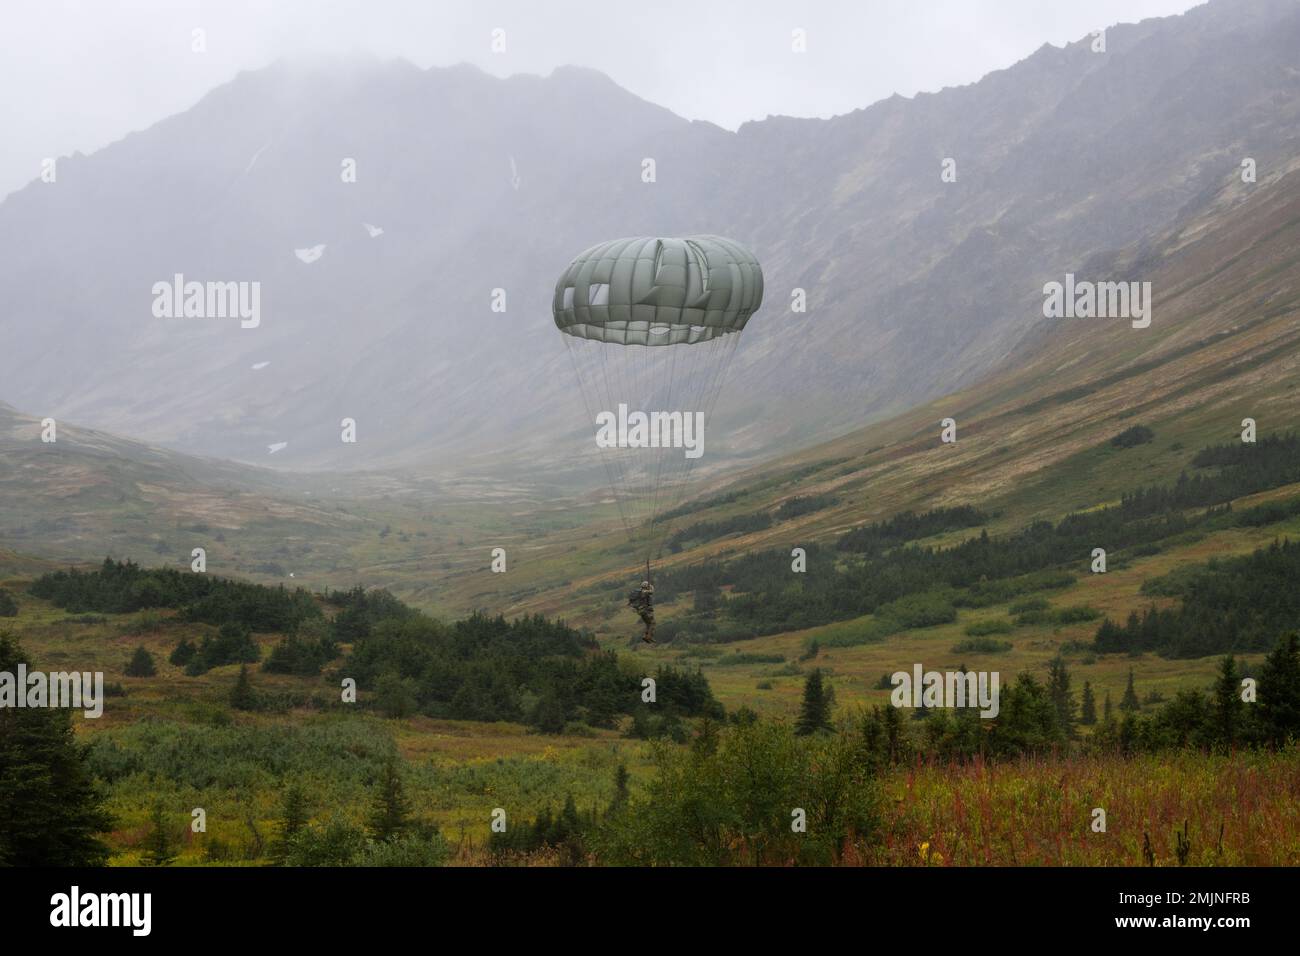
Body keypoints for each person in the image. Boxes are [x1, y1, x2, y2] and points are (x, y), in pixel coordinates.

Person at [628, 580, 656, 644]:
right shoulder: (644, 592)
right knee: (652, 623)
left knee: (648, 624)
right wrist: (651, 586)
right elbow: (652, 591)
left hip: (640, 611)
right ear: (646, 586)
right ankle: (648, 637)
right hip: (645, 610)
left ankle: (646, 636)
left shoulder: (639, 592)